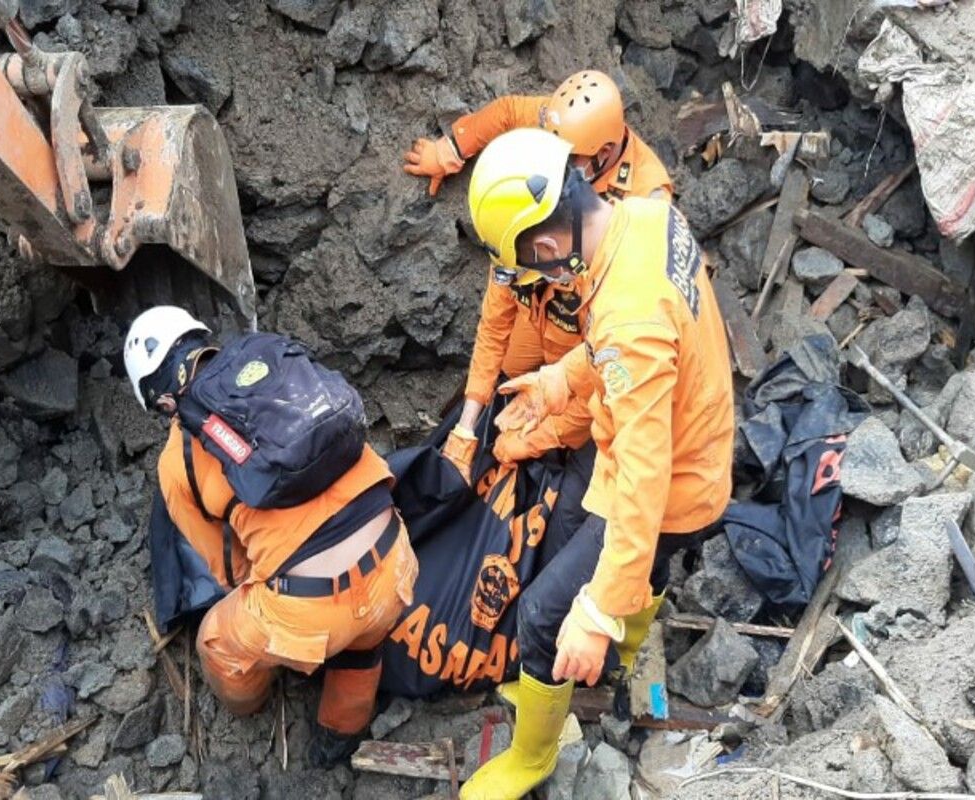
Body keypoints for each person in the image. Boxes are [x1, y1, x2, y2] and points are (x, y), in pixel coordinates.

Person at [458, 129, 735, 799]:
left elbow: (644, 480)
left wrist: (601, 610)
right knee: (569, 544)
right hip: (693, 441)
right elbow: (636, 345)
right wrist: (561, 380)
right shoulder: (645, 215)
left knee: (544, 616)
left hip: (668, 482)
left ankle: (533, 756)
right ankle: (621, 653)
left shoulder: (627, 320)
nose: (546, 279)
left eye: (536, 266)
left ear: (548, 246)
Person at [124, 307, 419, 767]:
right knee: (364, 643)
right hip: (396, 562)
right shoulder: (276, 367)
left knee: (218, 645)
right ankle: (340, 737)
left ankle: (253, 710)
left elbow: (230, 570)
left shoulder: (178, 457)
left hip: (311, 612)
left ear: (161, 402)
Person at [402, 71, 674, 482]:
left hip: (584, 328)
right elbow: (510, 112)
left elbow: (610, 362)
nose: (559, 163)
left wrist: (541, 437)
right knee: (506, 381)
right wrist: (452, 147)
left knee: (568, 424)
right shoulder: (555, 135)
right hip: (536, 304)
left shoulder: (644, 205)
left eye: (573, 161)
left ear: (602, 153)